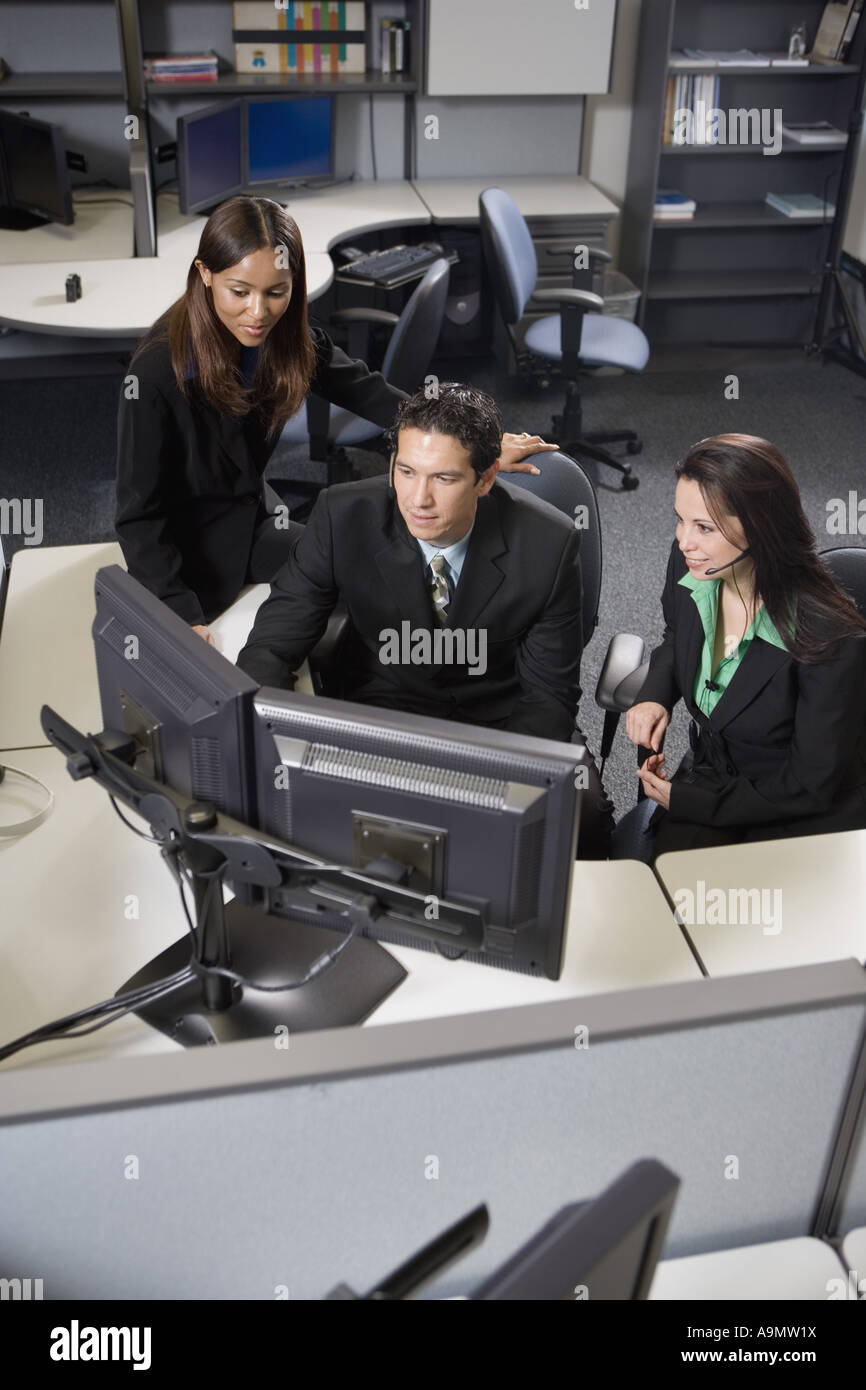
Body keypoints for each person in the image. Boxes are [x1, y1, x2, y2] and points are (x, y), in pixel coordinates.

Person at [115, 195, 554, 643]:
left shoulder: (282, 335)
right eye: (239, 291)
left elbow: (369, 392)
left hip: (253, 517)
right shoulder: (154, 376)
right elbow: (139, 516)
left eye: (276, 292)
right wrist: (180, 615)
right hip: (192, 559)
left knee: (362, 577)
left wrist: (471, 442)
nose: (258, 312)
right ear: (205, 274)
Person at [236, 382, 613, 856]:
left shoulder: (549, 544)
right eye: (406, 471)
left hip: (501, 717)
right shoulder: (342, 515)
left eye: (444, 479)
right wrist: (253, 729)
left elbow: (547, 698)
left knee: (583, 822)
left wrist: (482, 793)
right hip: (388, 709)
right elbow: (274, 641)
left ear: (486, 478)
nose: (418, 499)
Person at [620, 433, 866, 859]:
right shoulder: (694, 566)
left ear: (759, 527)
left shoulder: (830, 637)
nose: (684, 541)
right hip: (717, 779)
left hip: (797, 813)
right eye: (680, 519)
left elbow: (808, 787)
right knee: (669, 897)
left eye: (703, 527)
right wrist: (654, 696)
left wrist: (691, 802)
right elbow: (677, 635)